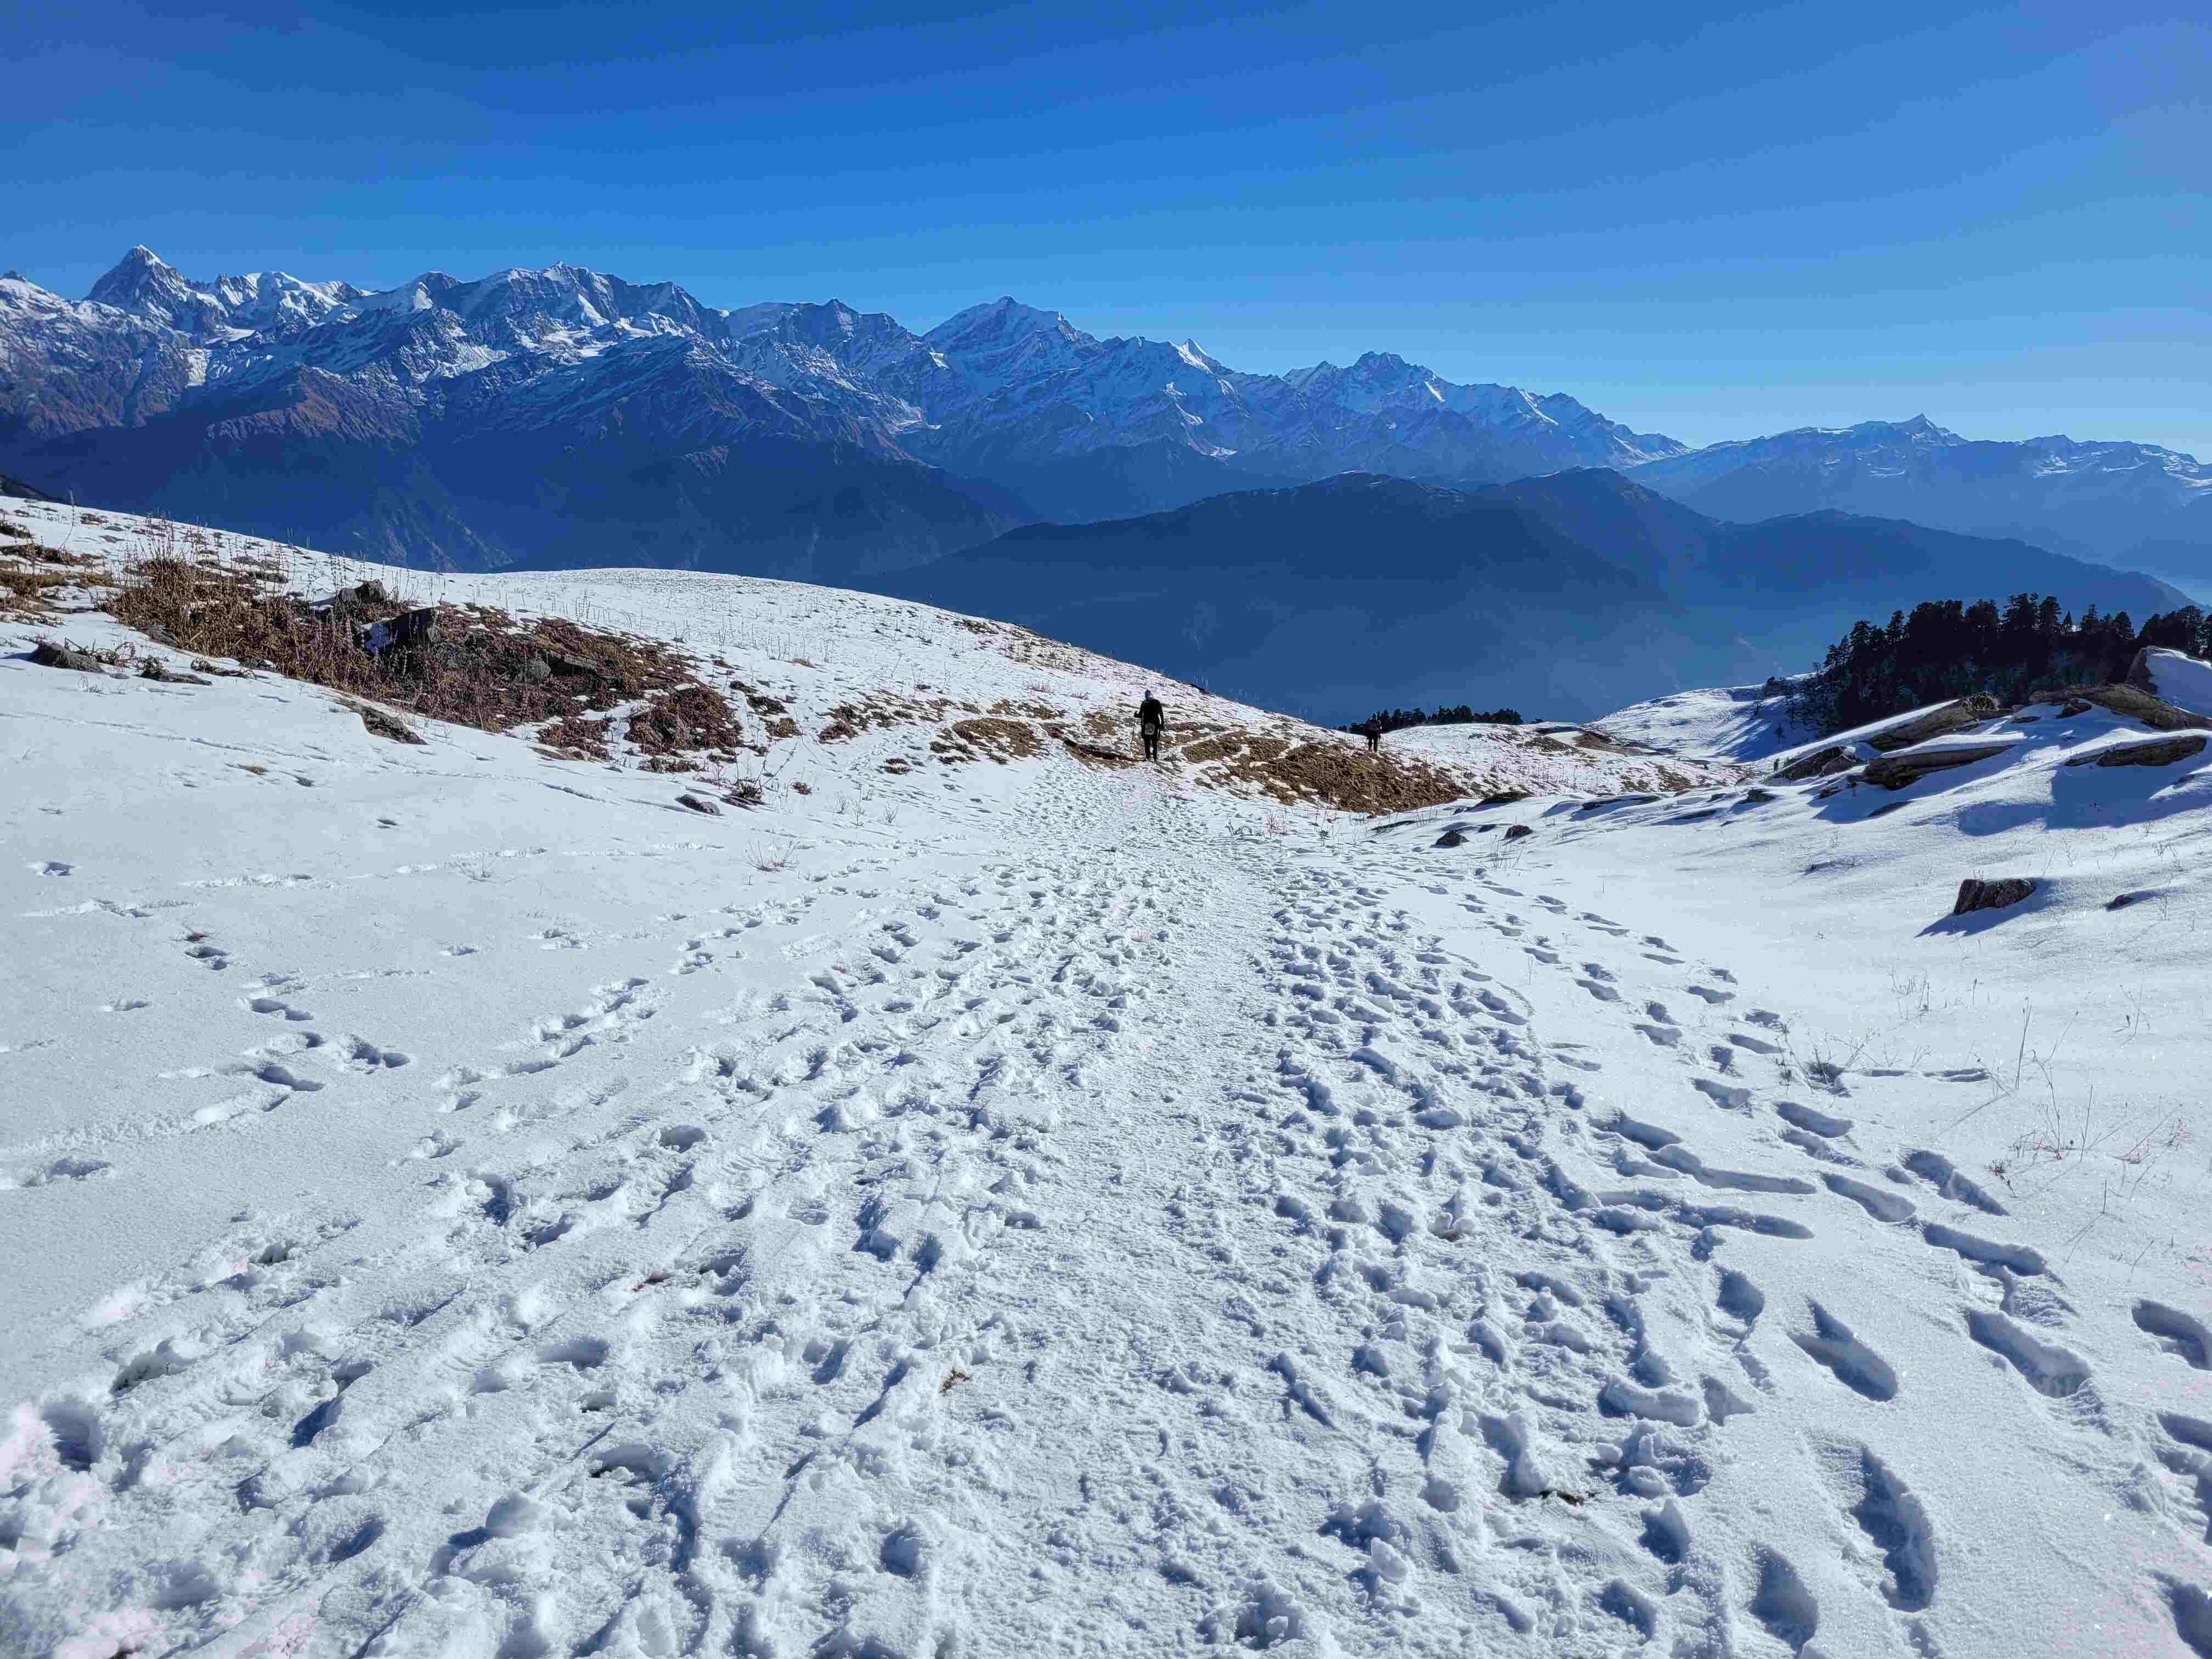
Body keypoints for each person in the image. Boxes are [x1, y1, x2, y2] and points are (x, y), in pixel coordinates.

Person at [1136, 691, 1166, 761]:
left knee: (1150, 741)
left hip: (1148, 725)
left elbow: (1141, 715)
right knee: (1152, 741)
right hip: (1153, 725)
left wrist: (1136, 715)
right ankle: (1153, 757)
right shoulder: (1155, 702)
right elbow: (1161, 713)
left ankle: (1150, 757)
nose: (1147, 696)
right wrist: (1162, 724)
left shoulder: (1145, 703)